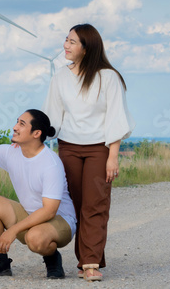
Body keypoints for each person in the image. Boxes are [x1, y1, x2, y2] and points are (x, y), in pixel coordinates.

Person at [43, 24, 133, 281]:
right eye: (66, 40)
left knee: (95, 204)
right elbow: (52, 116)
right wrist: (32, 136)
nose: (66, 46)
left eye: (72, 42)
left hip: (99, 149)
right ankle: (85, 257)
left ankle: (90, 262)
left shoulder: (109, 77)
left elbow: (115, 118)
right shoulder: (60, 77)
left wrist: (112, 156)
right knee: (76, 204)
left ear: (86, 47)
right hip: (68, 147)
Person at [0, 110, 76, 279]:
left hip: (60, 220)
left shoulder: (50, 163)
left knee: (35, 238)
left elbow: (49, 211)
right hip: (30, 215)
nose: (15, 127)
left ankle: (52, 257)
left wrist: (13, 231)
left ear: (36, 133)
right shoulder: (9, 152)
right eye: (17, 122)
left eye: (21, 124)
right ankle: (0, 261)